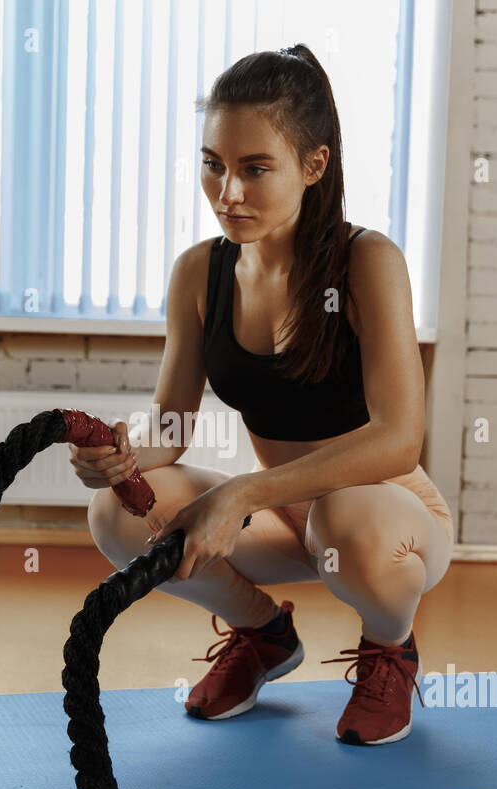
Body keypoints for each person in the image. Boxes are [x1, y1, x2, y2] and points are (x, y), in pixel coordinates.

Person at [70, 44, 453, 746]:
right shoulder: (199, 273)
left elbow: (398, 436)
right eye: (213, 164)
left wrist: (244, 494)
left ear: (314, 165)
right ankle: (265, 635)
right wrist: (122, 452)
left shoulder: (368, 261)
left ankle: (389, 650)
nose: (228, 192)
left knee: (347, 518)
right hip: (284, 521)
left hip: (387, 524)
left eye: (255, 168)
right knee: (120, 514)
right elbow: (171, 424)